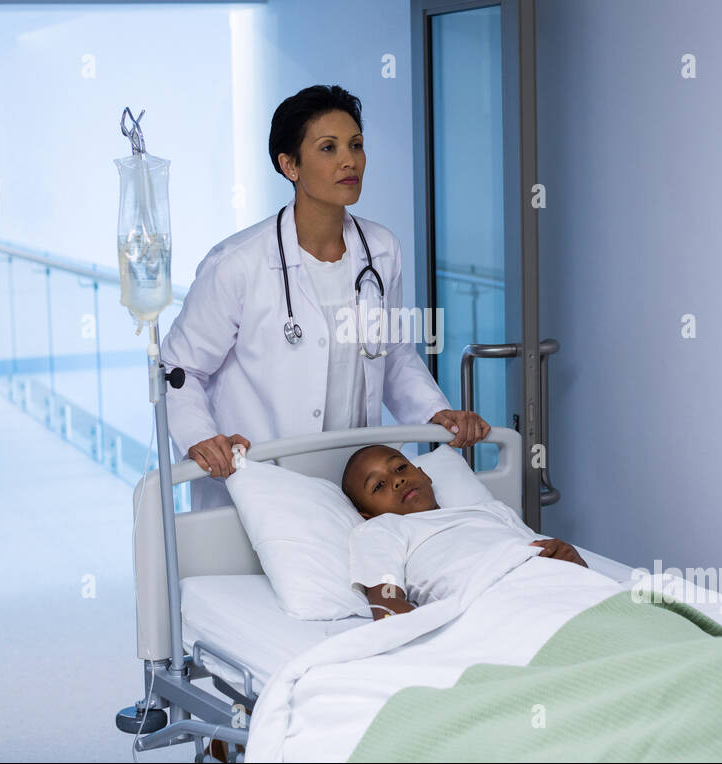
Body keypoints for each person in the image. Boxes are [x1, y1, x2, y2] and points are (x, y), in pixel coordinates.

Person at [160, 85, 490, 509]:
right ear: (290, 165)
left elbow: (392, 353)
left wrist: (433, 413)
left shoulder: (381, 248)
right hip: (260, 487)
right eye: (328, 148)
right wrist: (200, 438)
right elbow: (180, 369)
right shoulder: (236, 264)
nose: (349, 160)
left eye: (356, 145)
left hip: (354, 486)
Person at [340, 445, 588, 620]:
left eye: (401, 468)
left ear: (424, 474)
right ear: (367, 514)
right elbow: (386, 604)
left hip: (558, 588)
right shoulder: (381, 529)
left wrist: (572, 559)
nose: (397, 481)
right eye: (379, 486)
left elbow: (543, 552)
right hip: (493, 603)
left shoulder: (490, 511)